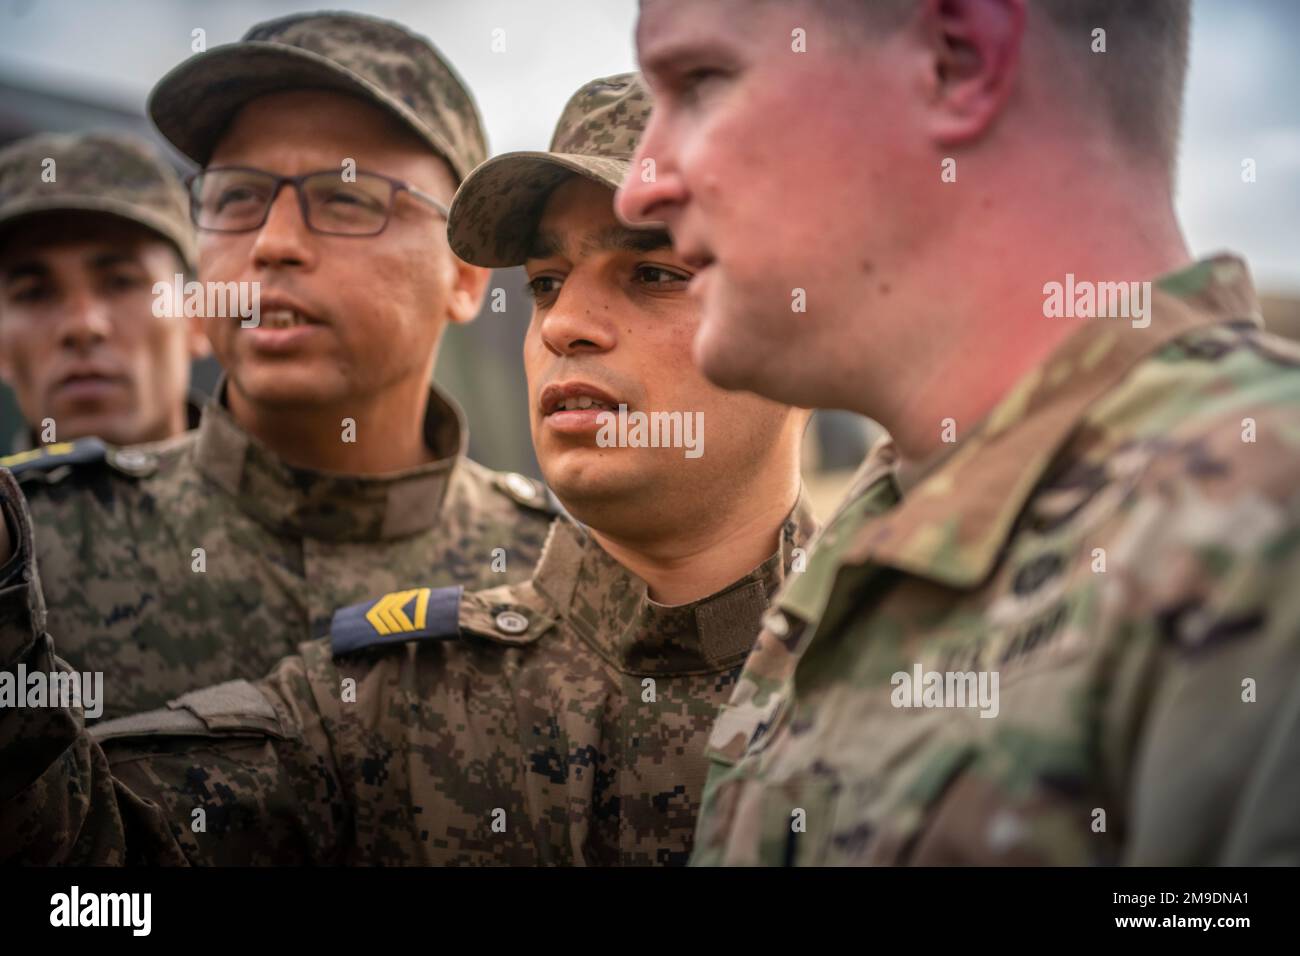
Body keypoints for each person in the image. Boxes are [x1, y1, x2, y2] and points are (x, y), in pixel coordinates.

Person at [0, 72, 818, 866]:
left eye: (654, 273)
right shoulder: (386, 704)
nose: (565, 322)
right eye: (544, 283)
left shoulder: (919, 689)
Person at [616, 0, 1300, 864]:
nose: (639, 185)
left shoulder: (1265, 527)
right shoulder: (873, 539)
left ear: (956, 61)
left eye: (700, 82)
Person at [0, 11, 556, 721]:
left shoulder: (556, 574)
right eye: (236, 197)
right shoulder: (32, 561)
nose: (272, 244)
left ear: (466, 276)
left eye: (347, 198)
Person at [0, 131, 207, 453]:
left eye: (121, 282)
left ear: (196, 318)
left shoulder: (296, 499)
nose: (82, 326)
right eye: (34, 294)